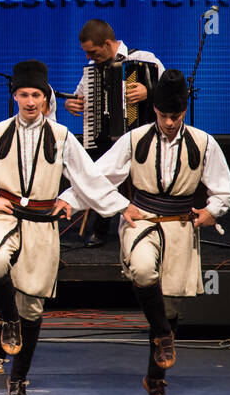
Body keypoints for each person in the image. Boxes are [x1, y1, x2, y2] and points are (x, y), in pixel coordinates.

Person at [0, 60, 129, 395]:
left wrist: (104, 205)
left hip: (41, 222)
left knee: (32, 305)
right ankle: (7, 319)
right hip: (4, 215)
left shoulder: (62, 136)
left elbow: (90, 178)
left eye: (37, 94)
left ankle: (18, 379)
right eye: (24, 94)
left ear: (47, 99)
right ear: (15, 95)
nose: (31, 101)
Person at [60, 70, 230, 395]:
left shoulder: (203, 142)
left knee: (170, 304)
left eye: (176, 116)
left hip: (181, 224)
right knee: (141, 269)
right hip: (142, 218)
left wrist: (213, 211)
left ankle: (156, 378)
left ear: (184, 112)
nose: (169, 122)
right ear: (154, 109)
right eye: (164, 115)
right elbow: (100, 177)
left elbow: (222, 189)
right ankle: (163, 336)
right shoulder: (135, 139)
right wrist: (69, 199)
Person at [63, 18, 164, 246]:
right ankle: (100, 225)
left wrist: (149, 92)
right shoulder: (92, 70)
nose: (89, 58)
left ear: (108, 43)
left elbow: (170, 94)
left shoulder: (143, 59)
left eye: (93, 52)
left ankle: (150, 220)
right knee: (96, 165)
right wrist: (71, 104)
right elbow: (78, 96)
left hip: (143, 136)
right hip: (109, 139)